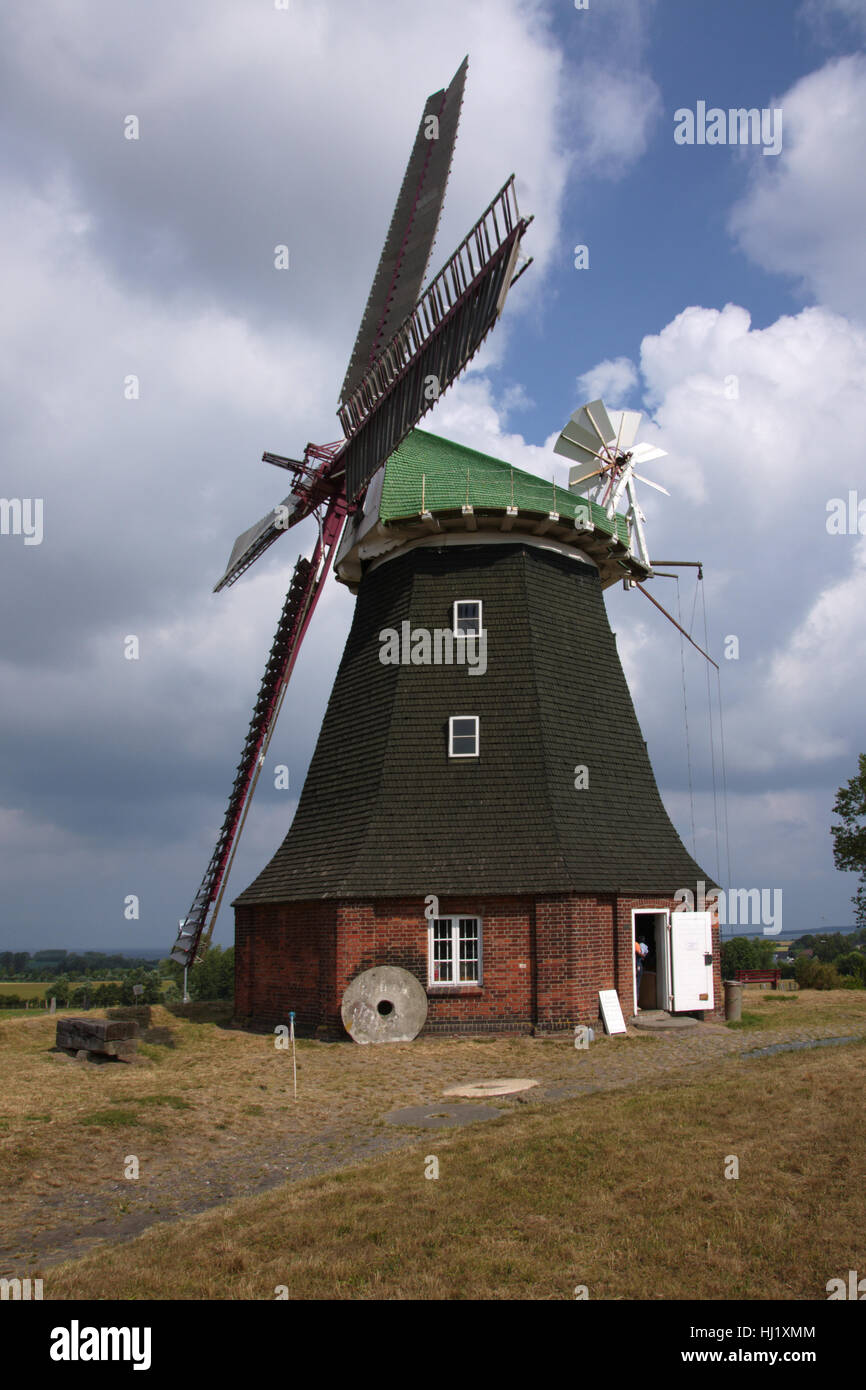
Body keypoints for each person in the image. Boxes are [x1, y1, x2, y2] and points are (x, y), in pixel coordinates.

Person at [635, 937, 649, 1008]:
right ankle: (635, 1003)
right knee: (637, 984)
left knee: (637, 984)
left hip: (638, 964)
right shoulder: (637, 944)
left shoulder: (637, 944)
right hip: (638, 965)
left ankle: (635, 1003)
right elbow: (642, 954)